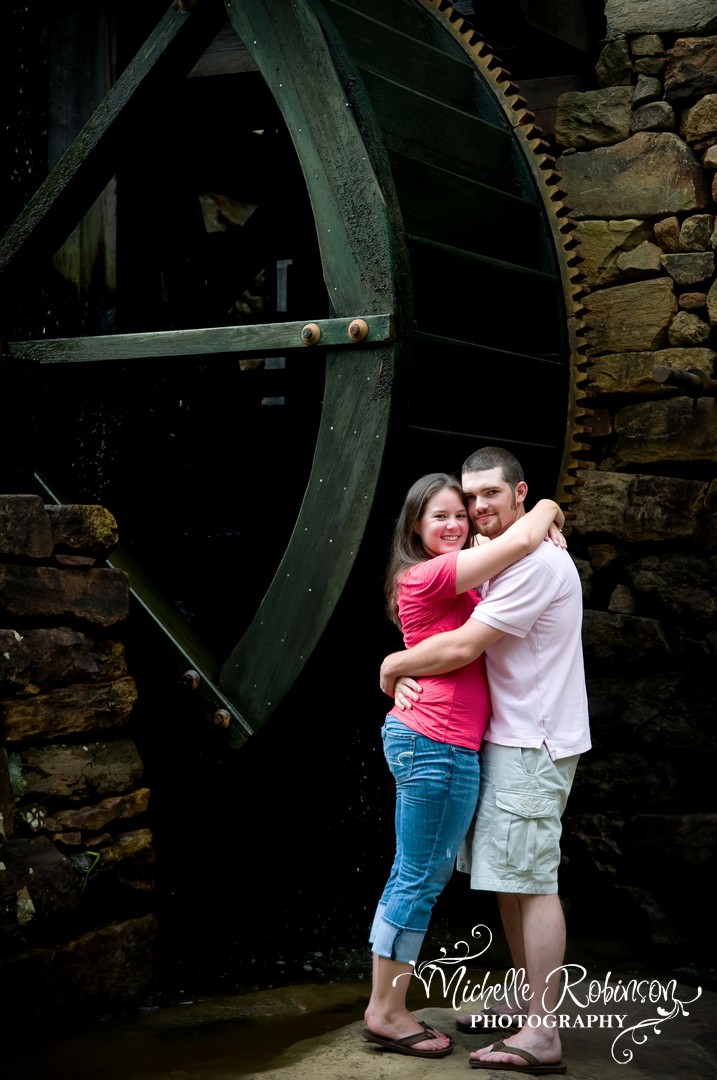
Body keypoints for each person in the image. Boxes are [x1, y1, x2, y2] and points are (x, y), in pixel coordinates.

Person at [379, 447, 591, 1074]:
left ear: (519, 493)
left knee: (532, 882)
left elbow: (467, 644)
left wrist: (392, 666)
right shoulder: (496, 557)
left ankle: (542, 1031)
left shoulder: (534, 564)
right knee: (507, 878)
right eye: (467, 500)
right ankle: (528, 1005)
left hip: (534, 740)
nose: (474, 510)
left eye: (488, 496)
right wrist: (547, 509)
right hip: (498, 737)